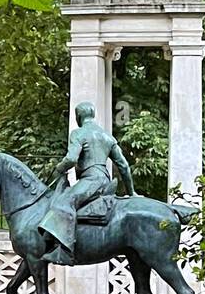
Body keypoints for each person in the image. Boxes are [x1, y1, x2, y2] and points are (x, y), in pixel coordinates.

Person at [39, 101, 135, 265]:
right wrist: (131, 192)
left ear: (78, 117)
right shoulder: (107, 136)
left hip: (91, 180)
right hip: (104, 180)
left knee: (63, 202)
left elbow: (71, 158)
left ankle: (65, 251)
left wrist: (59, 168)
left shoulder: (78, 133)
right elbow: (124, 166)